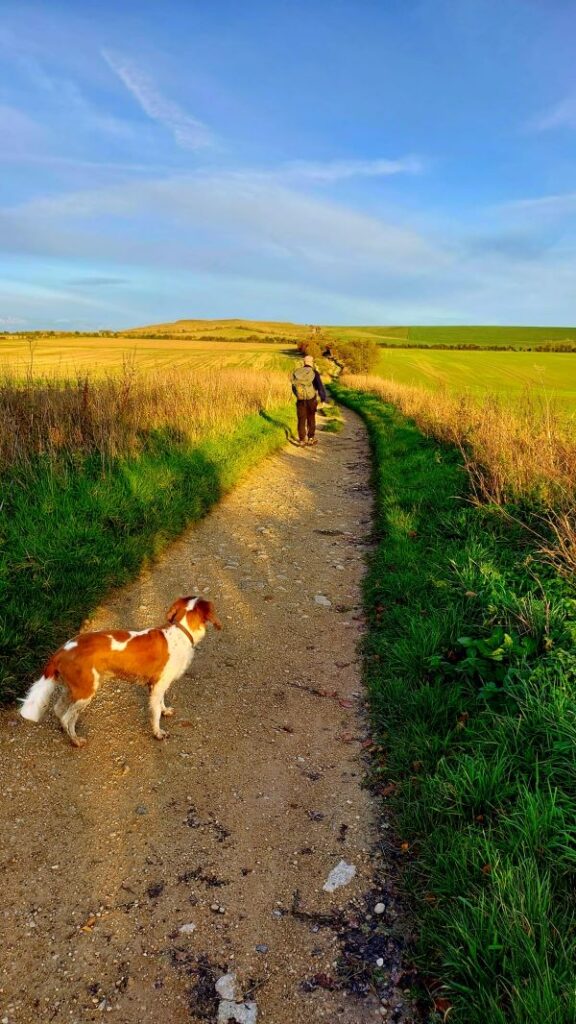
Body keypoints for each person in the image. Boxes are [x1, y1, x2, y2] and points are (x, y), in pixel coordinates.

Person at [291, 354, 328, 447]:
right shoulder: (314, 372)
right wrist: (323, 398)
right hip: (311, 399)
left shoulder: (297, 372)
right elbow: (320, 386)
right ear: (311, 362)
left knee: (301, 419)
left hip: (300, 400)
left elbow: (293, 387)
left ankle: (302, 440)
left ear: (304, 362)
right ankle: (311, 438)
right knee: (311, 418)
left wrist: (298, 395)